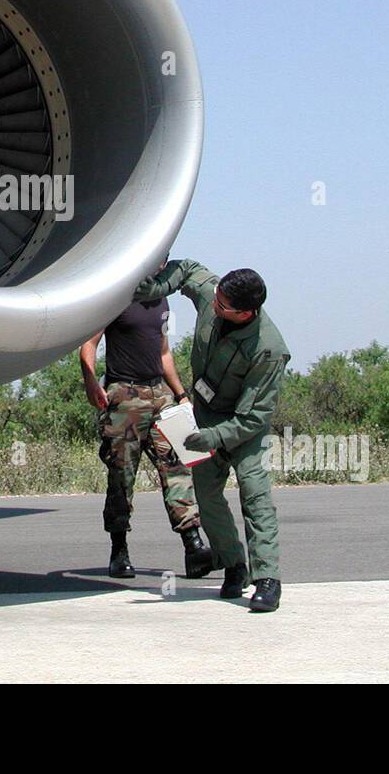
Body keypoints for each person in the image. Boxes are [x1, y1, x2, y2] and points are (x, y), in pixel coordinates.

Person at [133, 261, 289, 611]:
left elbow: (255, 417)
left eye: (223, 307)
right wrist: (157, 287)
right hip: (204, 418)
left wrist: (214, 437)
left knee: (255, 496)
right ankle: (234, 566)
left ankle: (267, 580)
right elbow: (186, 270)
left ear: (246, 313)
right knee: (205, 494)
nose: (214, 308)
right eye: (215, 300)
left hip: (244, 429)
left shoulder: (269, 350)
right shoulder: (212, 294)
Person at [79, 288, 213, 581]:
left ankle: (194, 546)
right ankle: (119, 550)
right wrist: (90, 379)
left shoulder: (161, 300)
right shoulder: (116, 296)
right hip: (124, 394)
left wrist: (181, 395)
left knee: (178, 465)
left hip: (160, 394)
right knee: (121, 474)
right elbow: (88, 344)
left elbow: (164, 351)